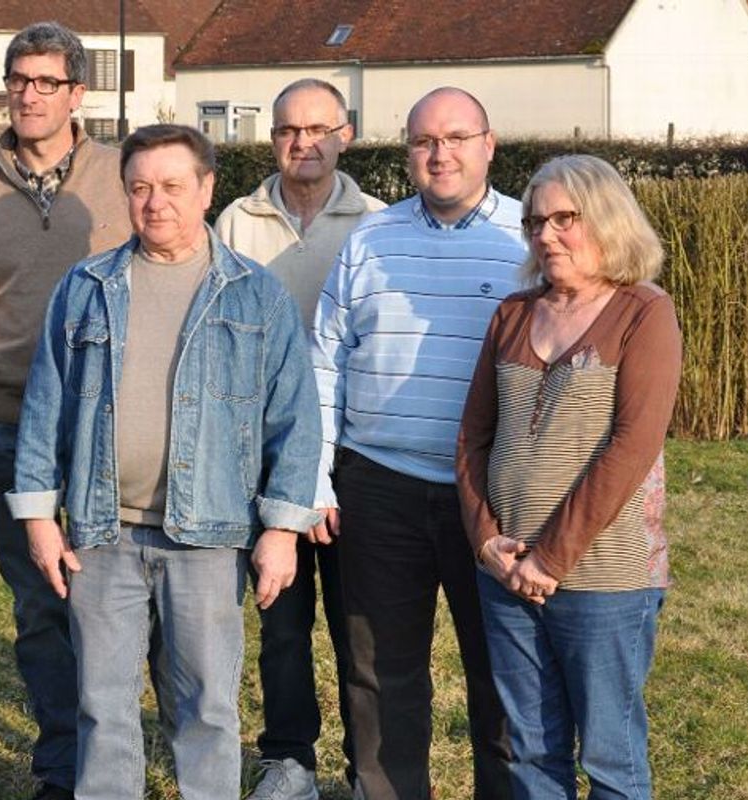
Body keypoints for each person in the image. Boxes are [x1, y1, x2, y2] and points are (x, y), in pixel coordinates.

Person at [7, 124, 321, 800]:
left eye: (173, 187)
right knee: (102, 705)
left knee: (207, 705)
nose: (156, 203)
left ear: (207, 189)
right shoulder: (85, 287)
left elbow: (296, 420)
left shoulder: (256, 296)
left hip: (208, 536)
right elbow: (44, 405)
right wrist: (37, 515)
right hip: (101, 535)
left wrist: (282, 529)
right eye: (140, 188)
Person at [0, 23, 132, 799]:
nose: (28, 94)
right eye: (19, 79)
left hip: (114, 423)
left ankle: (121, 748)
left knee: (117, 595)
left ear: (76, 93)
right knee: (38, 600)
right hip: (9, 421)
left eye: (46, 81)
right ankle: (63, 765)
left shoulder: (122, 176)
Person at [312, 87, 519, 800]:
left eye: (457, 137)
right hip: (380, 486)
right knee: (379, 672)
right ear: (408, 153)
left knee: (501, 672)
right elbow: (325, 361)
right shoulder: (369, 239)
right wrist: (317, 479)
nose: (441, 154)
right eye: (425, 141)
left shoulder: (531, 239)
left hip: (490, 494)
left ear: (489, 144)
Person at [456, 154, 681, 799]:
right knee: (530, 753)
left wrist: (550, 559)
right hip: (506, 571)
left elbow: (632, 446)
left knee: (610, 757)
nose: (545, 236)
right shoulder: (514, 314)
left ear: (607, 219)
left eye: (564, 219)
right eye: (534, 223)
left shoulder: (643, 313)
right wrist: (486, 542)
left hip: (603, 577)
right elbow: (473, 437)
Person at [215, 78, 384, 800]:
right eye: (288, 130)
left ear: (345, 135)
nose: (302, 143)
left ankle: (368, 769)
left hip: (353, 456)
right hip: (262, 456)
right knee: (280, 623)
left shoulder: (376, 221)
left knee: (361, 631)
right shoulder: (235, 222)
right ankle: (289, 761)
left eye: (318, 130)